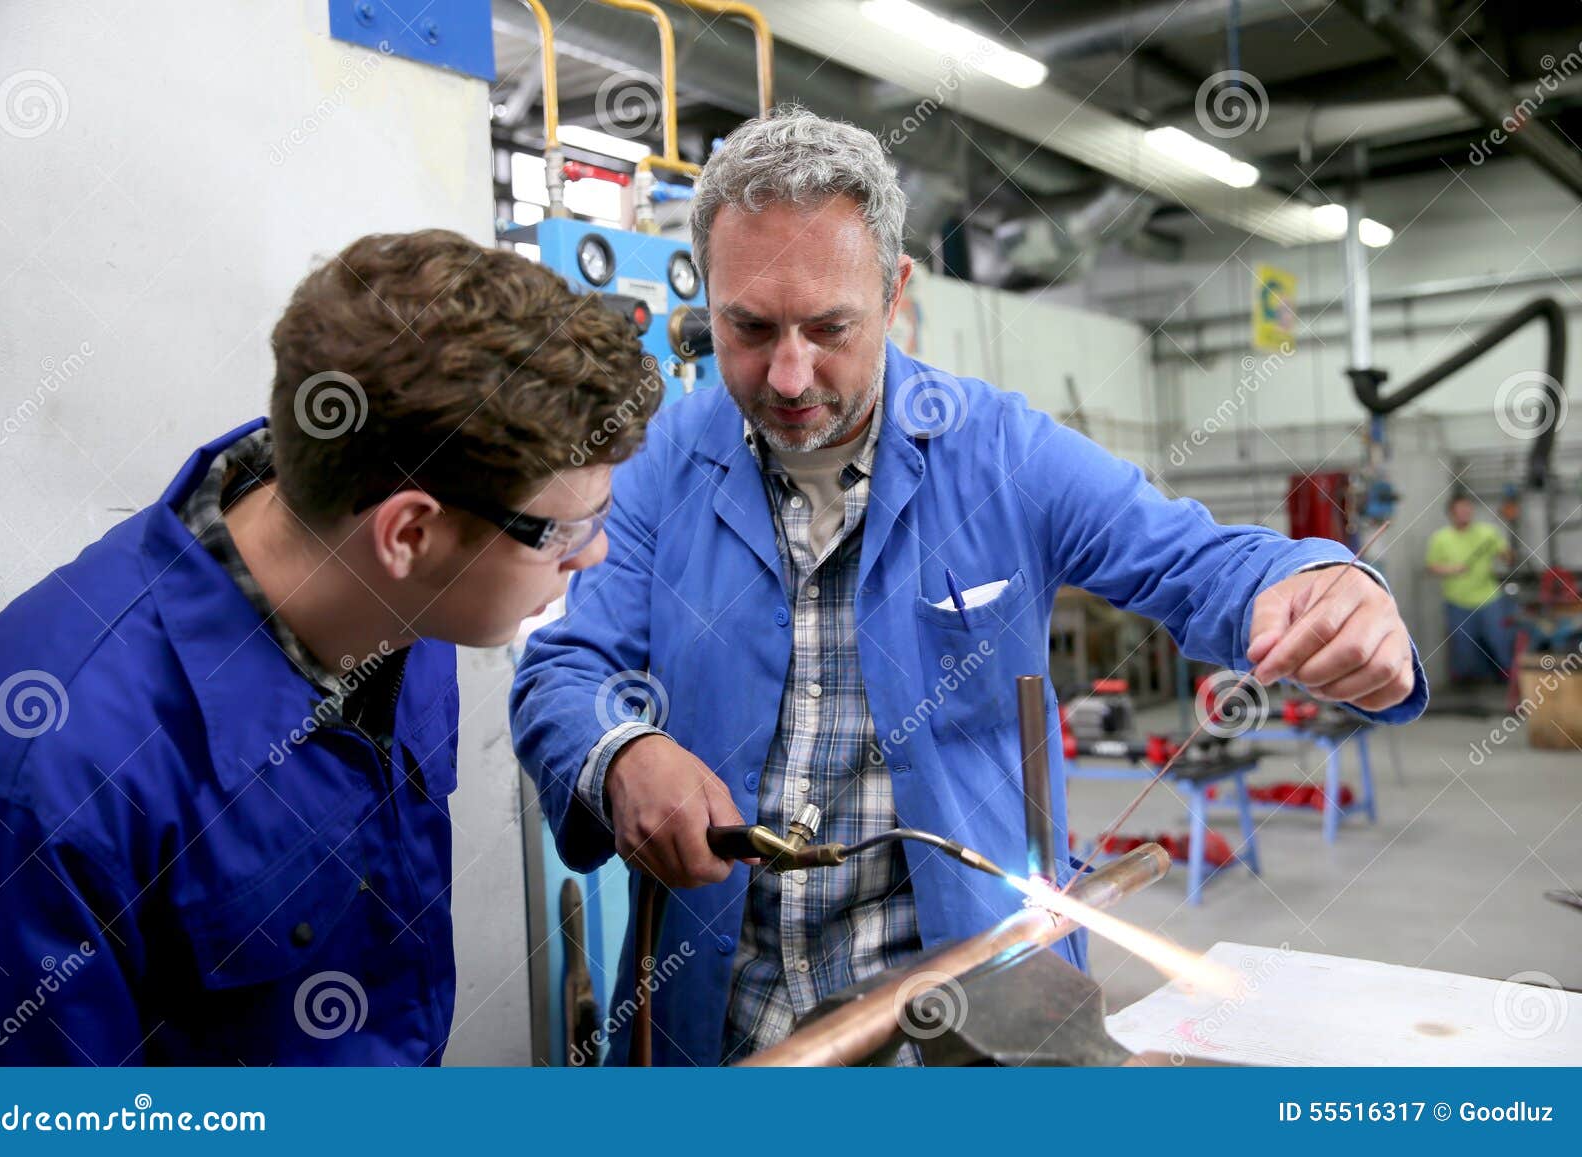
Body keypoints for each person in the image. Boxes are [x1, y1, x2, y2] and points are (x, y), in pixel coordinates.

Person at [511, 108, 1428, 1067]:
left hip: (968, 1021)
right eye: (750, 328)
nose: (789, 374)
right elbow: (564, 670)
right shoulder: (661, 466)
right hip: (722, 1026)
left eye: (830, 328)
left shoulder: (1001, 453)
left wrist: (1318, 581)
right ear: (710, 299)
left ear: (895, 291)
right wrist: (619, 753)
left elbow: (1191, 560)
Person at [0, 230, 660, 1064]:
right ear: (409, 531)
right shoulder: (46, 779)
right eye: (563, 530)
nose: (591, 554)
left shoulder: (403, 605)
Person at [1426, 494, 1515, 682]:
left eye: (1468, 509)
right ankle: (1475, 683)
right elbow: (1432, 566)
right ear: (1451, 514)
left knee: (1499, 641)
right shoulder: (1440, 538)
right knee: (1464, 648)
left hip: (1489, 598)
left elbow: (1507, 557)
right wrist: (1452, 569)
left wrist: (1507, 554)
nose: (1465, 513)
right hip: (1457, 601)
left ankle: (1511, 682)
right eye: (1460, 510)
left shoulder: (1488, 532)